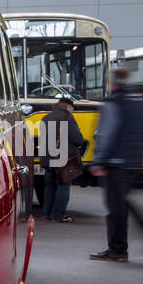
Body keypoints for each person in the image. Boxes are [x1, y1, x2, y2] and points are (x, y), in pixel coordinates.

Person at [89, 66, 143, 262]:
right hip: (133, 161)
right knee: (125, 204)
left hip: (115, 162)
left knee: (115, 208)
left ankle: (118, 250)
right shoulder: (138, 100)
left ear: (112, 82)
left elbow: (107, 133)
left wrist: (99, 160)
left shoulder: (114, 102)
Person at [40, 93, 87, 222]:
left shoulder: (46, 118)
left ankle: (47, 213)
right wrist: (80, 143)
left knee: (50, 187)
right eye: (73, 108)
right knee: (63, 185)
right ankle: (58, 215)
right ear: (68, 107)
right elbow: (77, 139)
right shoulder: (67, 118)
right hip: (63, 158)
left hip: (48, 158)